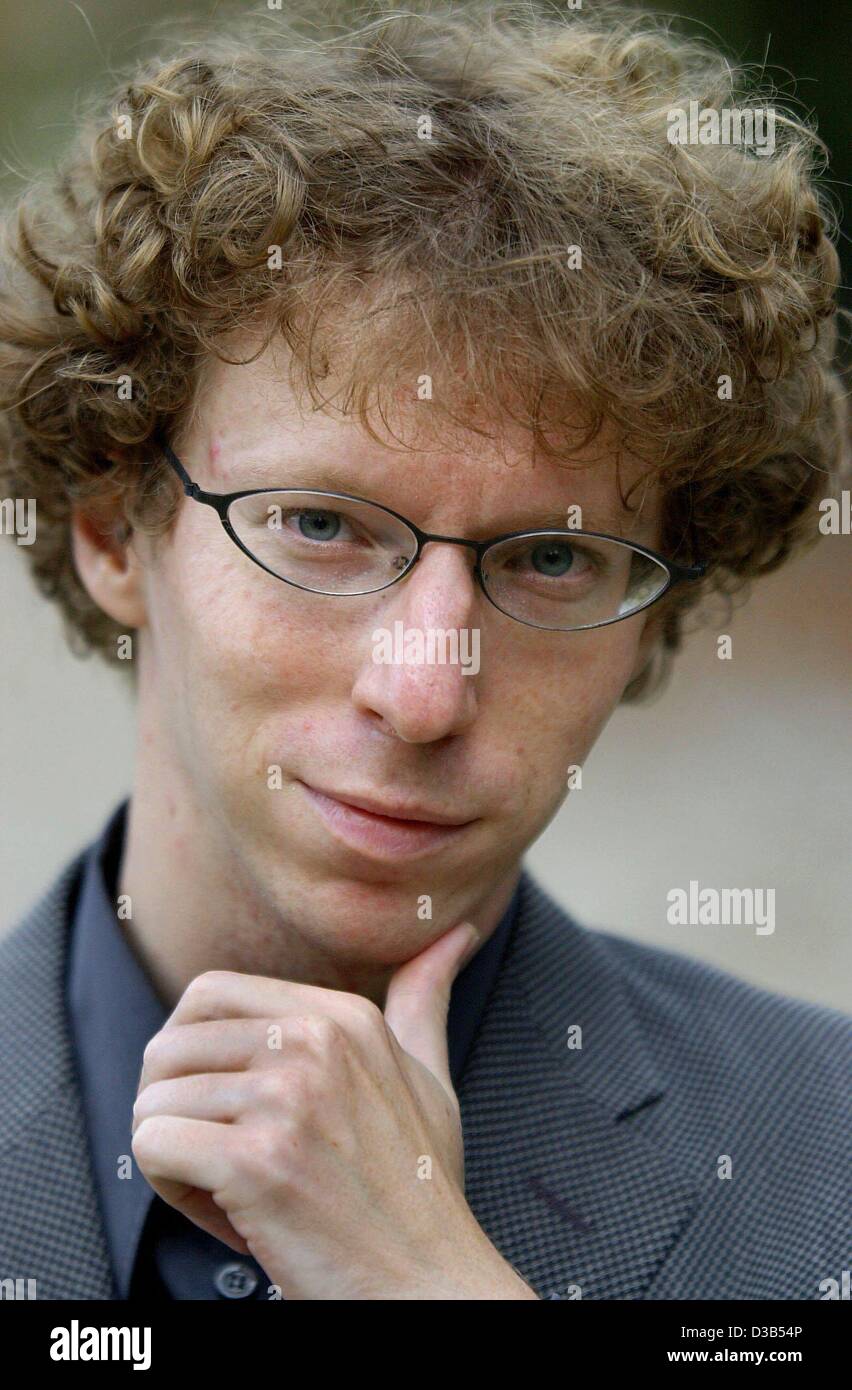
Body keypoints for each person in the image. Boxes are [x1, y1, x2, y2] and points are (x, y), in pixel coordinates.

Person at [0, 1, 848, 1301]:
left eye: (551, 558)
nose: (424, 691)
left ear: (661, 611)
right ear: (116, 530)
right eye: (324, 525)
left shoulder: (823, 1165)